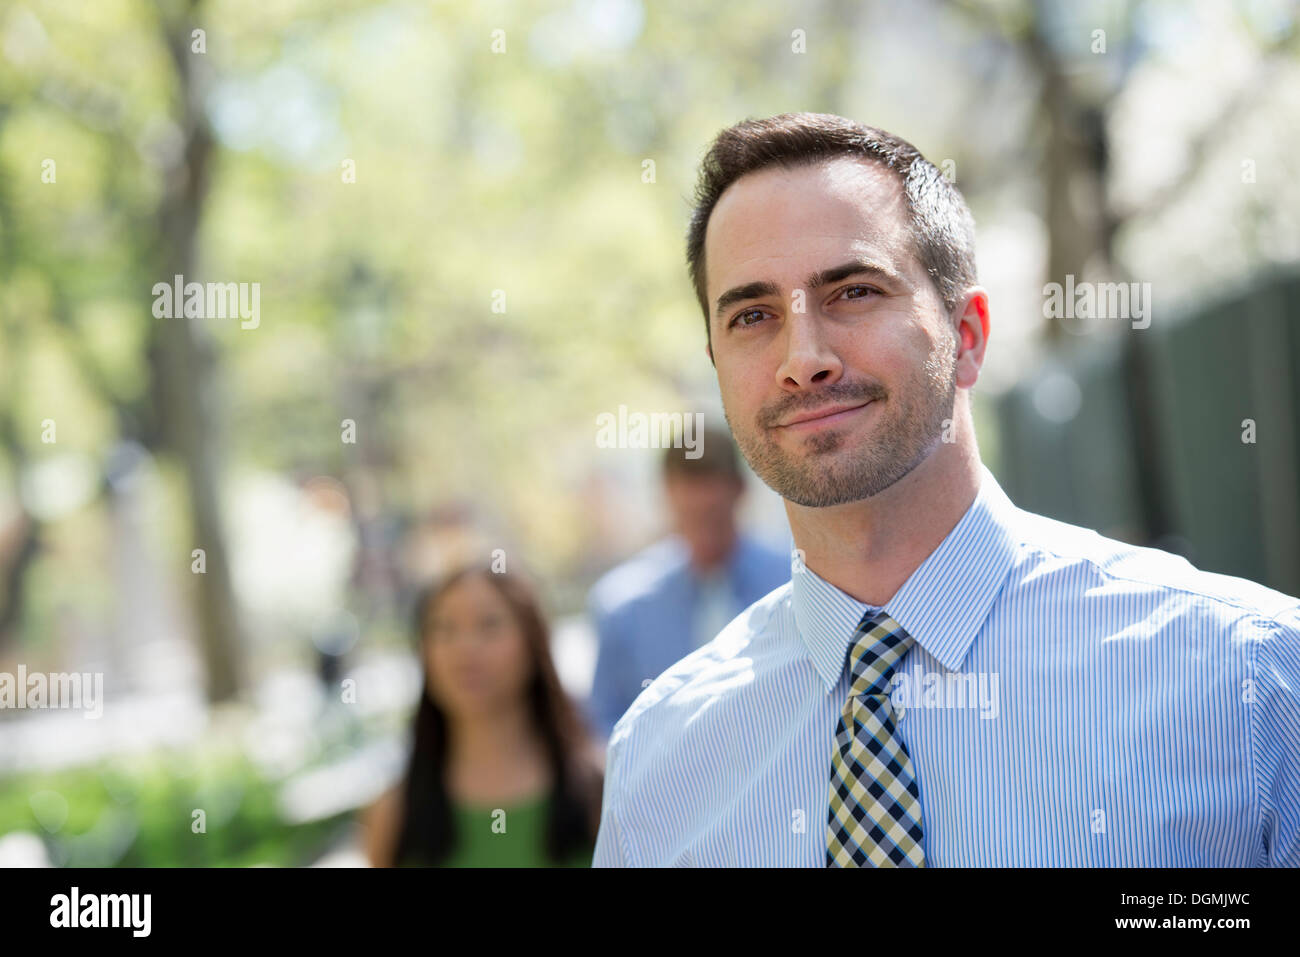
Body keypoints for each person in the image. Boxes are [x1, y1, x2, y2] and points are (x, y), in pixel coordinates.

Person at [592, 112, 1300, 867]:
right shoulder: (659, 764)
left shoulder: (1247, 679)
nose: (804, 358)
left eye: (854, 291)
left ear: (967, 334)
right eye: (754, 315)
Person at [363, 564, 602, 867]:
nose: (465, 648)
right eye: (444, 628)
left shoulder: (600, 792)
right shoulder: (393, 813)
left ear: (534, 640)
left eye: (489, 625)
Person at [585, 426, 790, 741]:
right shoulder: (624, 605)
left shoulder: (792, 583)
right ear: (667, 493)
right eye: (690, 490)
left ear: (739, 489)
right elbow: (604, 722)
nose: (702, 504)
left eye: (712, 492)